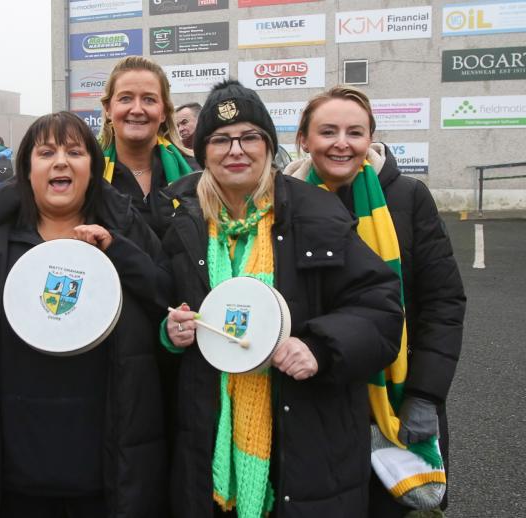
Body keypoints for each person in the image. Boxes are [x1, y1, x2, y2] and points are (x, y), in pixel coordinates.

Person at [0, 111, 172, 517]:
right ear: (26, 170)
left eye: (74, 152)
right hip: (9, 475)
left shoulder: (126, 230)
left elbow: (167, 303)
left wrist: (118, 252)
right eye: (46, 152)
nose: (61, 161)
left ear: (93, 170)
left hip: (106, 475)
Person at [161, 80, 404, 517]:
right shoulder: (179, 220)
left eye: (250, 136)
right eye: (220, 139)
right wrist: (169, 331)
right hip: (209, 441)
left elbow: (379, 307)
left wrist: (320, 347)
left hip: (306, 444)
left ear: (269, 146)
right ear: (201, 150)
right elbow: (157, 309)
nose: (236, 150)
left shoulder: (316, 212)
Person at [285, 85, 466, 517]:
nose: (342, 143)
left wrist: (425, 394)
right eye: (328, 131)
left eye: (355, 132)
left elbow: (443, 300)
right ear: (304, 140)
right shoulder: (281, 203)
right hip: (317, 391)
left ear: (371, 139)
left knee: (398, 508)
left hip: (397, 398)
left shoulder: (407, 197)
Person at [99, 55, 196, 237]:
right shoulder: (88, 176)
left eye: (149, 100)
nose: (137, 109)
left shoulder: (196, 174)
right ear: (108, 109)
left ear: (164, 112)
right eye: (126, 98)